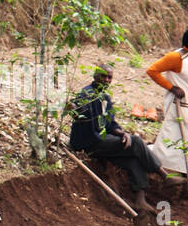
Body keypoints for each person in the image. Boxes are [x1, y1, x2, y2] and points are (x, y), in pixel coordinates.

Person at [67, 65, 161, 216]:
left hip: (103, 140)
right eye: (103, 76)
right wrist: (72, 108)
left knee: (132, 159)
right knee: (136, 141)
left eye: (109, 77)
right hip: (89, 142)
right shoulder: (87, 94)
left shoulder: (105, 97)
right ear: (95, 76)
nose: (106, 80)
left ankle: (140, 199)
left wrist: (122, 133)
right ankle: (161, 173)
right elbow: (77, 110)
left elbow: (110, 123)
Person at [145, 27, 188, 178]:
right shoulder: (177, 57)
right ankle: (152, 163)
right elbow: (152, 70)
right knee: (175, 141)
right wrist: (172, 87)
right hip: (180, 109)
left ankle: (186, 183)